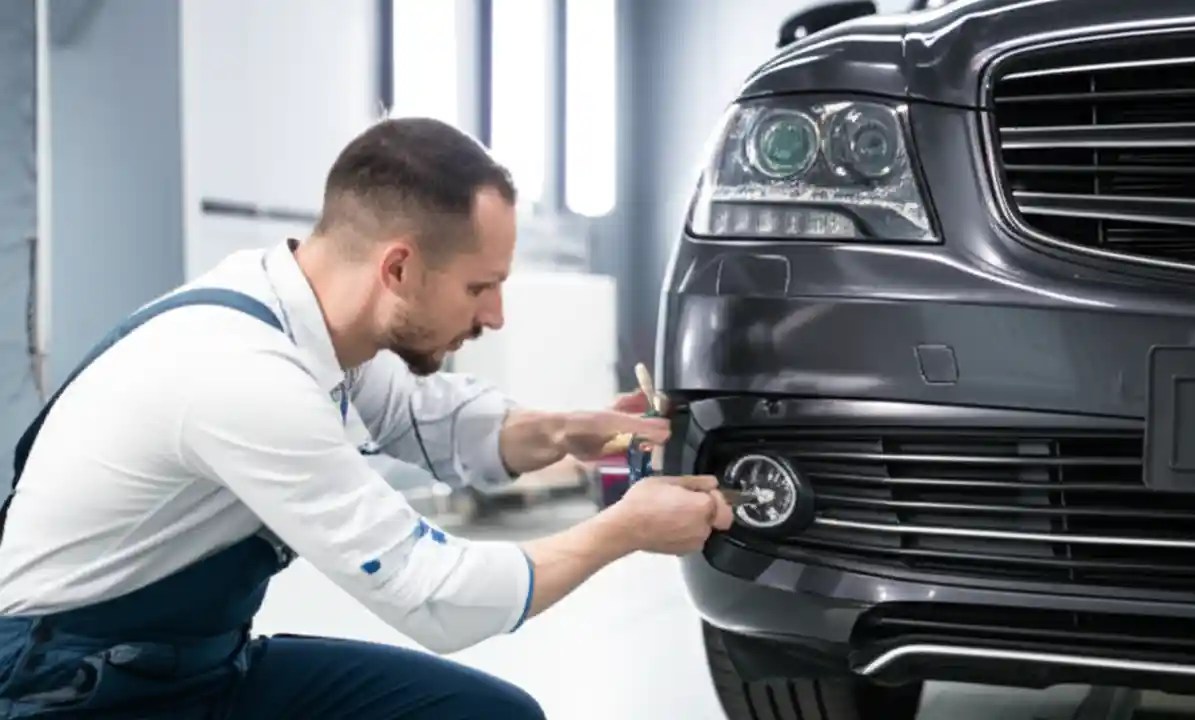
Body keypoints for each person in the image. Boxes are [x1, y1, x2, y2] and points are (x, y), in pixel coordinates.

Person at [0, 117, 735, 719]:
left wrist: (568, 430)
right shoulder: (241, 374)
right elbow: (436, 596)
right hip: (68, 690)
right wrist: (625, 528)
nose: (497, 315)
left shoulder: (313, 324)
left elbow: (433, 422)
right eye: (481, 286)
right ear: (398, 269)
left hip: (194, 667)